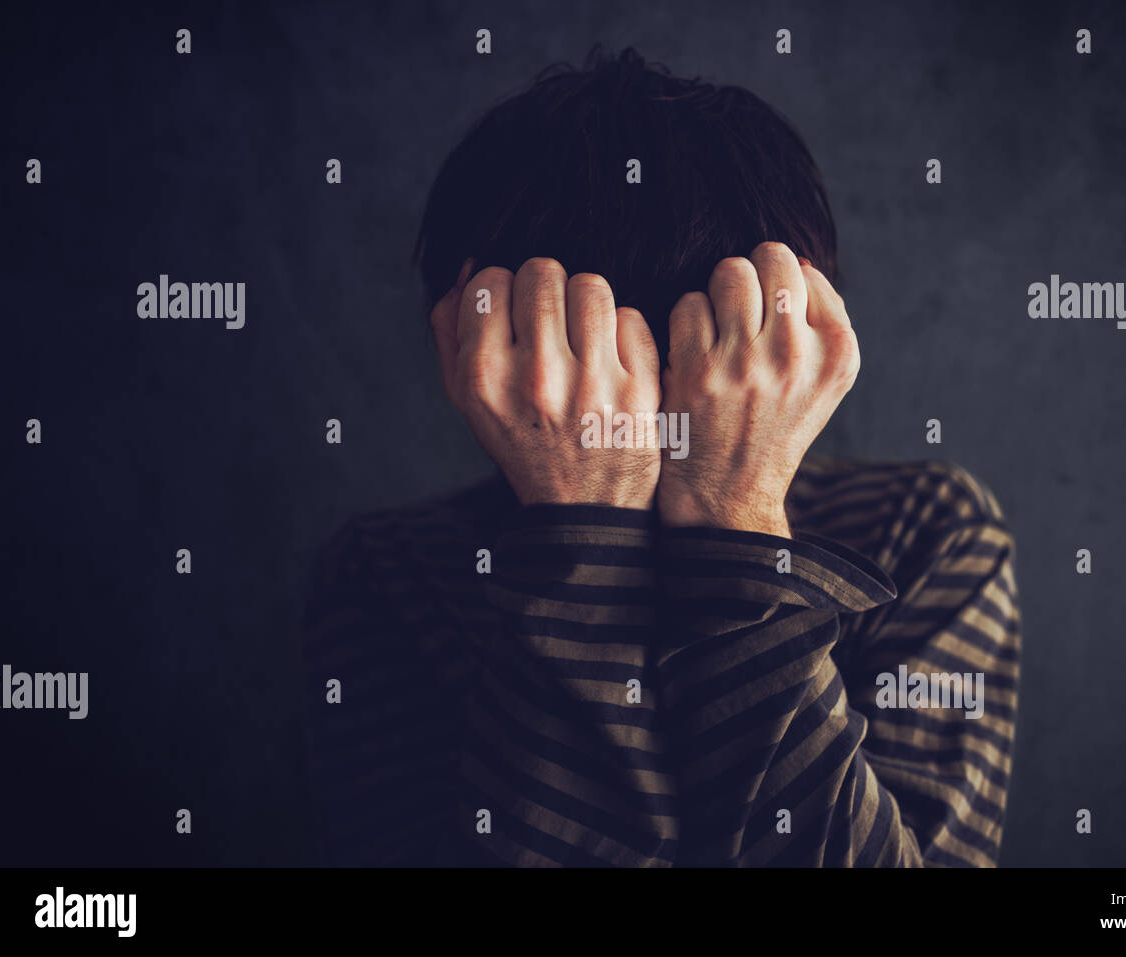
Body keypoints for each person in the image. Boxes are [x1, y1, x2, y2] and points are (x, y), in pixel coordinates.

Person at [301, 47, 1020, 867]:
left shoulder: (923, 530)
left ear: (783, 335)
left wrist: (734, 510)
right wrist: (586, 533)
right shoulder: (388, 571)